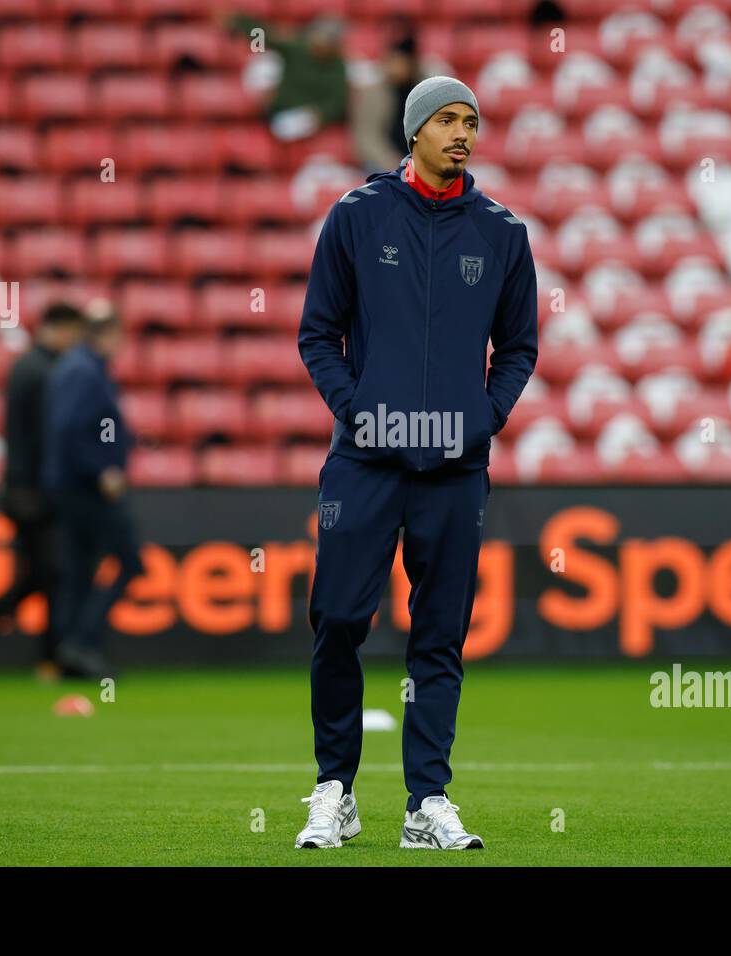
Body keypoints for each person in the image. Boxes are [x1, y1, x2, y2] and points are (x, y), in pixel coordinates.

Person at [294, 76, 539, 849]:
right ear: (413, 132)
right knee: (337, 620)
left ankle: (426, 804)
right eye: (446, 120)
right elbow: (315, 335)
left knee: (439, 636)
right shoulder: (357, 217)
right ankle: (334, 788)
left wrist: (483, 419)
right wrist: (359, 411)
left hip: (454, 471)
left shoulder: (503, 233)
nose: (462, 133)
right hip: (364, 466)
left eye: (471, 121)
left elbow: (520, 348)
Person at [0, 301, 84, 680]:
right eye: (72, 334)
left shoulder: (26, 367)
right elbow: (48, 437)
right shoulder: (45, 372)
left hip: (21, 486)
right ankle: (47, 657)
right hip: (35, 492)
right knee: (52, 573)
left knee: (40, 573)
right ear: (58, 329)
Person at [43, 300, 142, 679]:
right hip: (86, 489)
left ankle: (72, 654)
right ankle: (80, 643)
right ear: (106, 333)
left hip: (75, 487)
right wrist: (102, 470)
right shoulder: (83, 371)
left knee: (80, 570)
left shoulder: (82, 367)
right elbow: (69, 428)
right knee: (129, 561)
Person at [219, 12, 349, 142]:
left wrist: (320, 115)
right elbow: (266, 38)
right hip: (279, 111)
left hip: (309, 120)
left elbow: (337, 102)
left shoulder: (338, 67)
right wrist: (240, 21)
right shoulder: (298, 49)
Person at [351, 30, 426, 174]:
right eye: (390, 60)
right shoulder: (374, 94)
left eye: (398, 61)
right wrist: (391, 162)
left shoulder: (427, 91)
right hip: (384, 163)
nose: (392, 66)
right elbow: (366, 138)